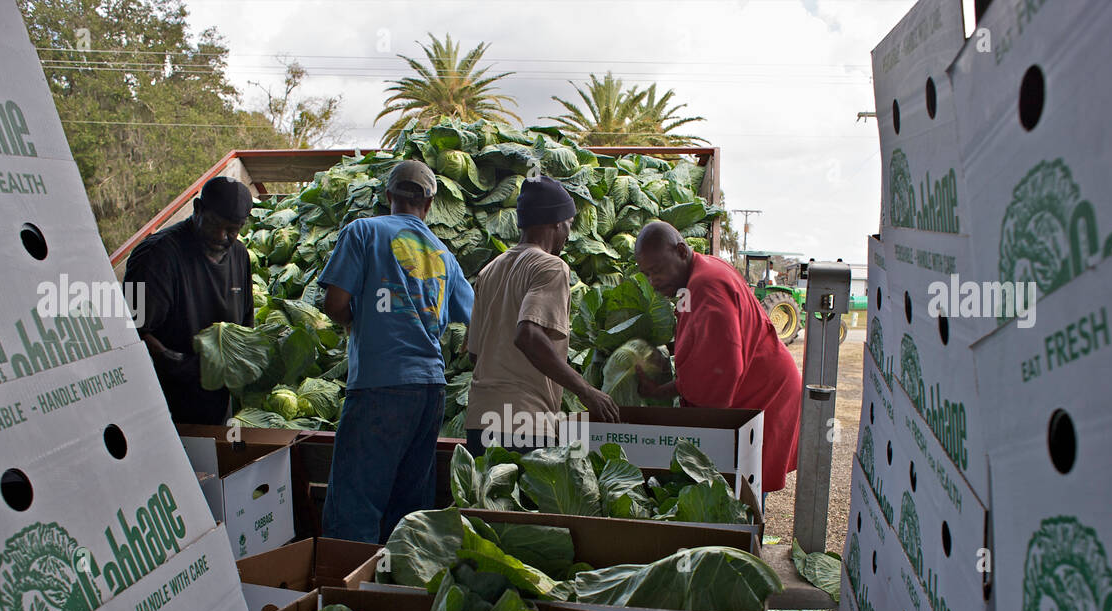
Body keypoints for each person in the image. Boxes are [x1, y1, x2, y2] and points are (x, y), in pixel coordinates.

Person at [317, 160, 474, 544]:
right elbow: (477, 319)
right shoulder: (444, 255)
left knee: (355, 502)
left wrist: (358, 322)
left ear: (388, 195)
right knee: (409, 508)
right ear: (431, 203)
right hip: (430, 391)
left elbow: (335, 301)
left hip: (378, 387)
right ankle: (395, 589)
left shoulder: (363, 232)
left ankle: (347, 589)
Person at [633, 220, 802, 494]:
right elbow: (705, 362)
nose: (654, 282)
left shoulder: (707, 287)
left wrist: (695, 431)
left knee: (743, 490)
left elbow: (721, 374)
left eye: (658, 271)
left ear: (681, 251)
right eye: (647, 274)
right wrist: (662, 391)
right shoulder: (697, 276)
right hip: (758, 385)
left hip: (762, 394)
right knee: (741, 489)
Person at [465, 178, 619, 455]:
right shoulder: (551, 266)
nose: (568, 235)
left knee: (480, 499)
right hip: (524, 423)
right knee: (523, 501)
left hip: (480, 421)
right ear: (556, 222)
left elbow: (475, 354)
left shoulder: (489, 271)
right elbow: (528, 335)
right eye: (569, 224)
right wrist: (586, 391)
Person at [124, 176, 254, 425]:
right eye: (214, 223)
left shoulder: (239, 255)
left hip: (215, 404)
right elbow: (131, 331)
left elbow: (246, 323)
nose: (221, 235)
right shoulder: (157, 256)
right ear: (197, 209)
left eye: (232, 230)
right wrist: (176, 362)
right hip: (164, 406)